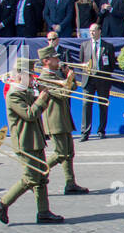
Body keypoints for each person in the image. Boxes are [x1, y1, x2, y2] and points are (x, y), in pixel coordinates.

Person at [0, 57, 63, 225]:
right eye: (29, 76)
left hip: (35, 139)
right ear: (19, 76)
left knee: (41, 177)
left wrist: (43, 96)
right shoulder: (14, 95)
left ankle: (43, 211)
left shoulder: (25, 91)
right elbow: (30, 114)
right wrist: (41, 98)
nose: (33, 79)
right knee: (31, 177)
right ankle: (2, 203)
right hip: (24, 141)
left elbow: (38, 112)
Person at [37, 47, 87, 195]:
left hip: (63, 118)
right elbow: (62, 94)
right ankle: (38, 173)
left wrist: (70, 77)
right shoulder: (44, 78)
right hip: (54, 120)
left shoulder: (54, 75)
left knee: (69, 153)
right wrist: (69, 78)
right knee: (60, 154)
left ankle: (70, 183)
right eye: (55, 58)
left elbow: (71, 89)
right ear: (46, 61)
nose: (58, 60)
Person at [78, 22, 116, 140]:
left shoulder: (108, 46)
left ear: (99, 31)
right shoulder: (84, 45)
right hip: (89, 78)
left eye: (94, 31)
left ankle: (101, 130)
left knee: (103, 105)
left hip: (102, 79)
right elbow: (81, 62)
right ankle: (85, 132)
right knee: (86, 104)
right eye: (90, 31)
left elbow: (112, 64)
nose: (92, 33)